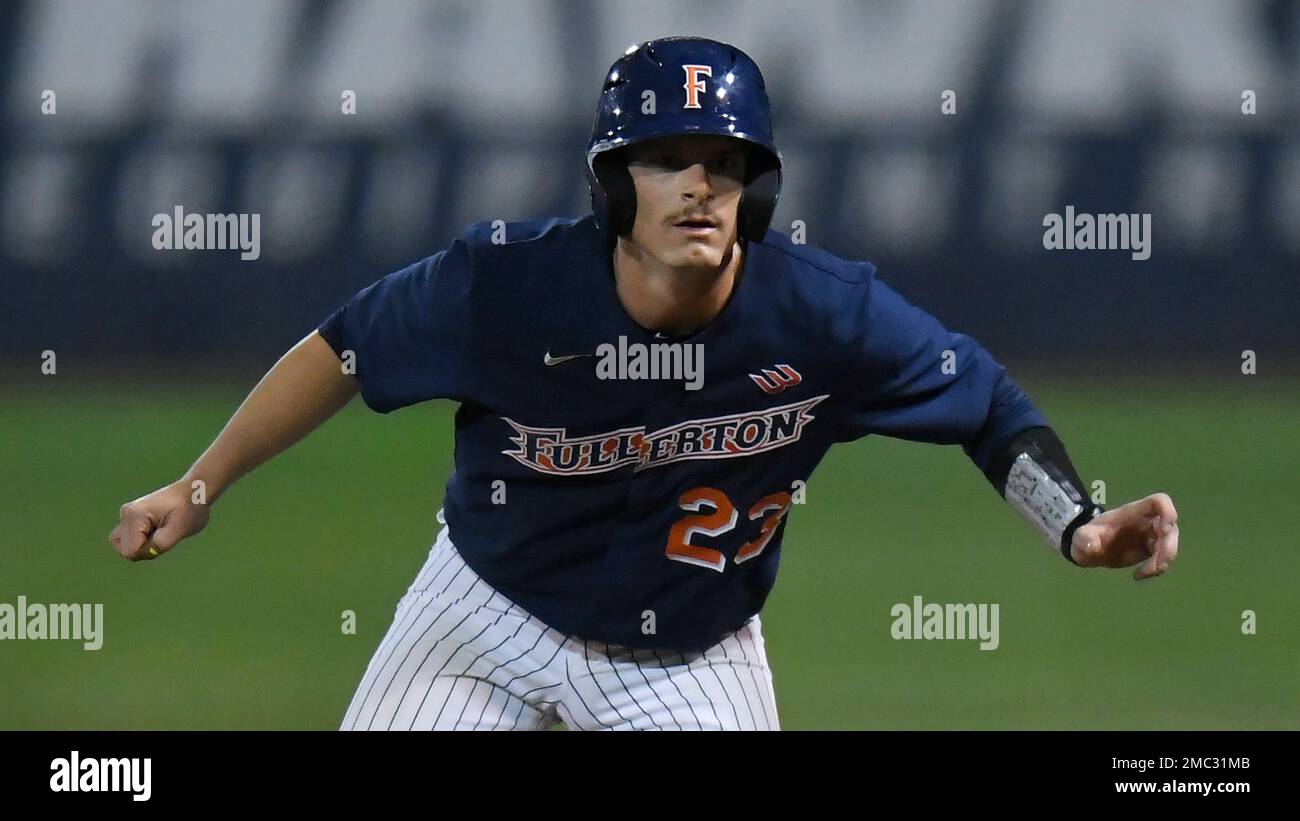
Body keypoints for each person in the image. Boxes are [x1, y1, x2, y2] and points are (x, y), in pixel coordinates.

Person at [109, 36, 1180, 731]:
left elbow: (984, 401)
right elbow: (341, 349)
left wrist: (1075, 523)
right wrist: (196, 486)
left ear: (757, 193)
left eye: (724, 161)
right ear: (613, 186)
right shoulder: (506, 286)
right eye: (666, 158)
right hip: (481, 612)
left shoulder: (822, 315)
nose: (700, 184)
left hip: (686, 659)